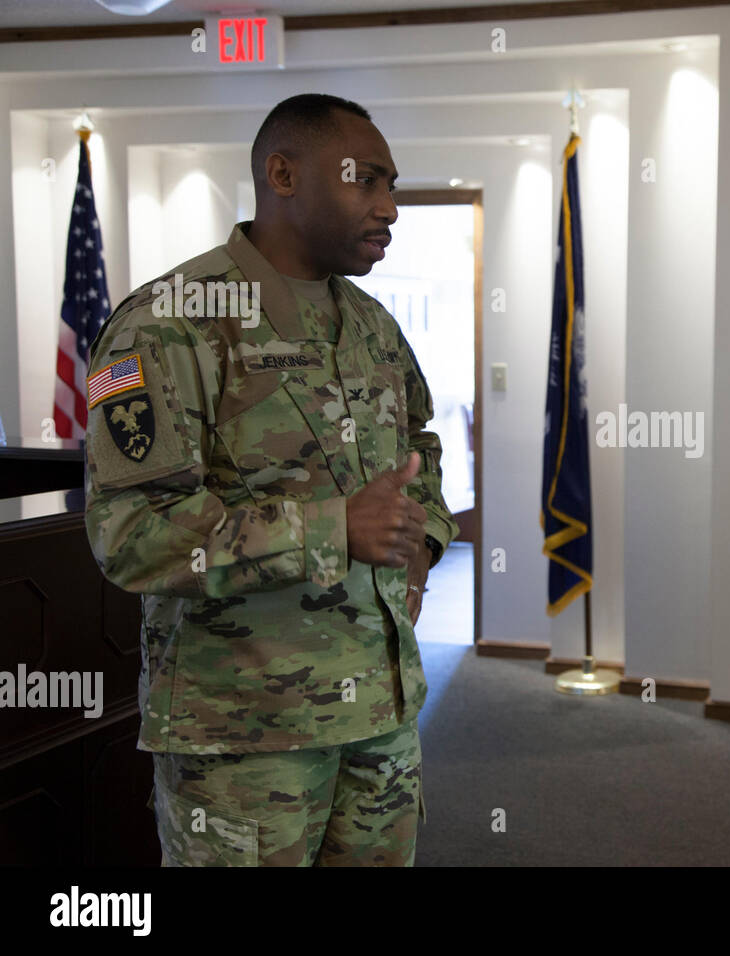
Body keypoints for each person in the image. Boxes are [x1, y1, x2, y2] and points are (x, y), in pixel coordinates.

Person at [82, 93, 458, 866]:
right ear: (282, 174)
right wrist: (329, 530)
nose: (389, 207)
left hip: (382, 712)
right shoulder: (163, 325)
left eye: (393, 185)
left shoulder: (372, 325)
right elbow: (131, 535)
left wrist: (424, 542)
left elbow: (420, 447)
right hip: (245, 740)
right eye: (367, 180)